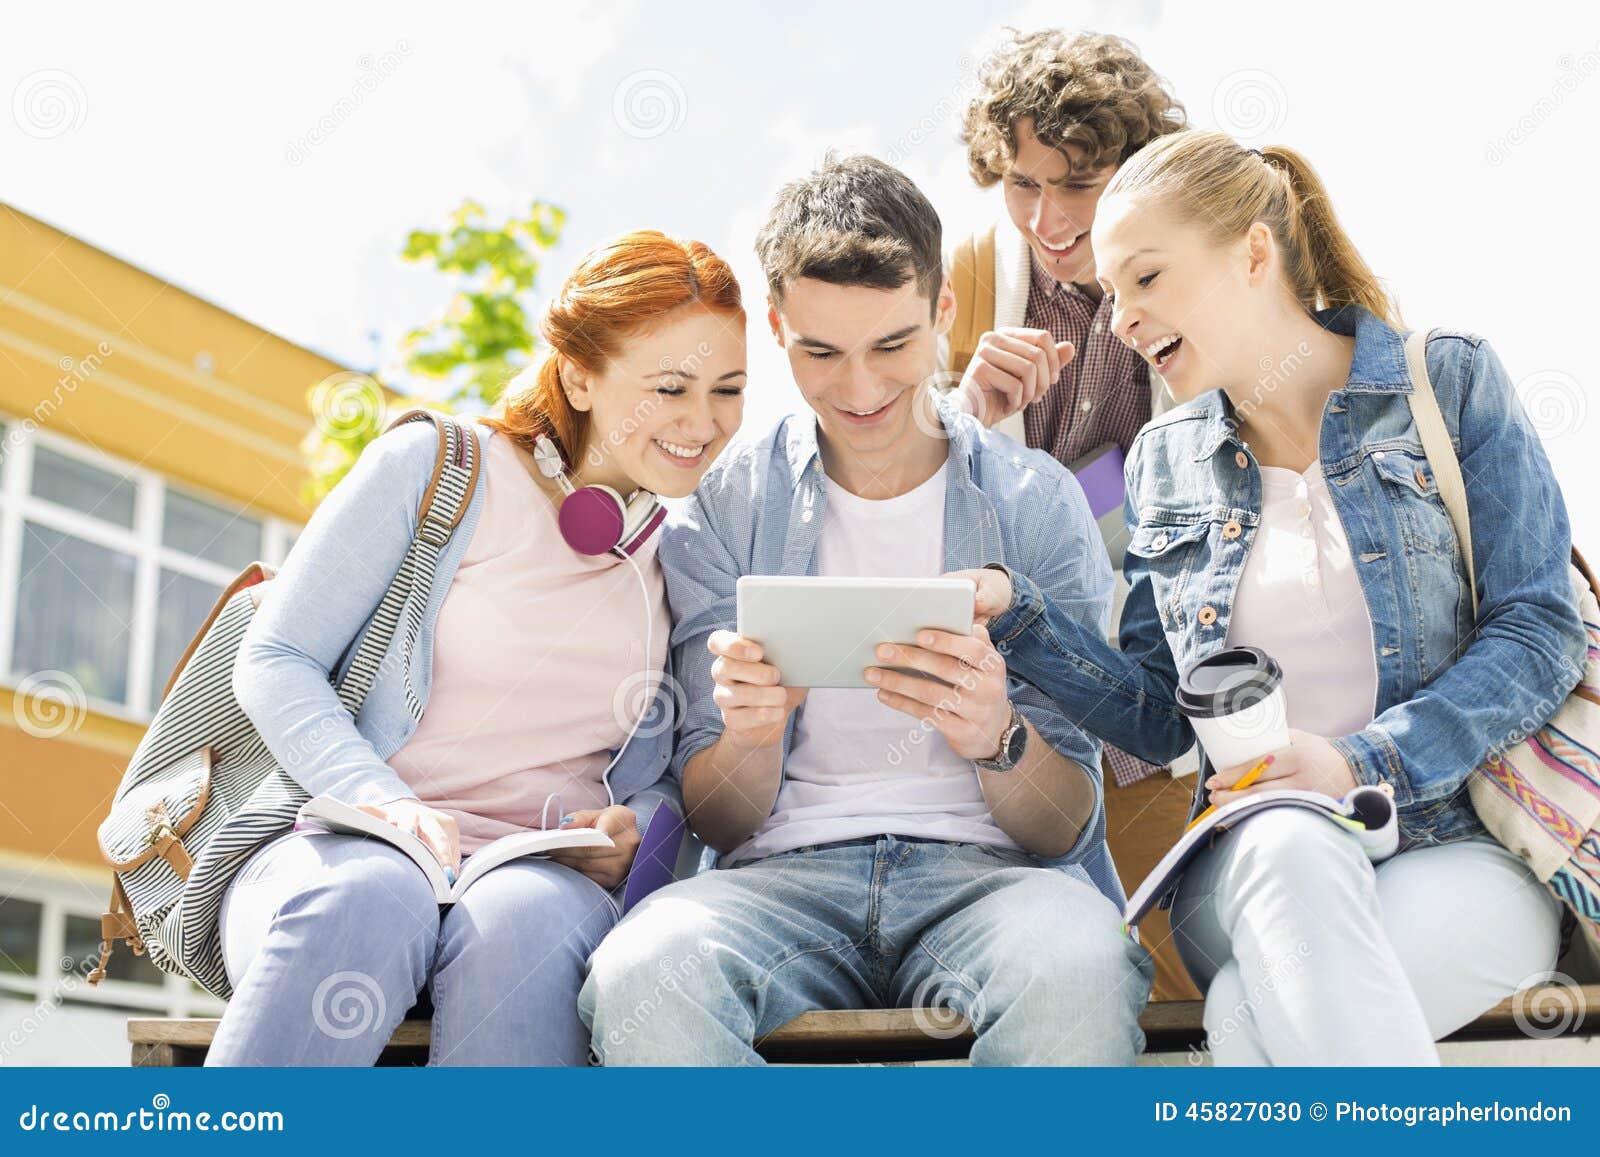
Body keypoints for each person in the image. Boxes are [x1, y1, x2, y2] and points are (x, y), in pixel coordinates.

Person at [964, 130, 1584, 1064]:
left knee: (1253, 1022)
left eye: (1146, 279)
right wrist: (1020, 615)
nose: (1118, 319)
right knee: (1288, 838)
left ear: (1255, 252)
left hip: (1457, 843)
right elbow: (1159, 718)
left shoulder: (1445, 381)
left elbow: (1540, 630)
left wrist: (1361, 760)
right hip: (1248, 865)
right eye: (1110, 291)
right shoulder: (1164, 463)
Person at [578, 154, 1152, 1067]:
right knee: (644, 972)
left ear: (943, 315)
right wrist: (751, 738)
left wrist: (998, 739)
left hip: (996, 884)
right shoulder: (728, 503)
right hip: (780, 881)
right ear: (776, 328)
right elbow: (718, 819)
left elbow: (1069, 821)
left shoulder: (1037, 502)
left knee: (1080, 968)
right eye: (820, 352)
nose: (858, 390)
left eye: (891, 346)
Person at [208, 231, 748, 1066]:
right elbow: (275, 659)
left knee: (521, 926)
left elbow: (671, 777)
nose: (702, 422)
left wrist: (632, 829)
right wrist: (381, 802)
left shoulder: (679, 559)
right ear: (579, 374)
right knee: (374, 892)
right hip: (347, 850)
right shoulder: (437, 468)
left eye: (728, 389)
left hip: (536, 880)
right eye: (670, 386)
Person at [943, 29, 1197, 999]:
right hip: (1002, 698)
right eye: (1019, 182)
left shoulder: (1196, 276)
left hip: (1147, 696)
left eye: (1077, 184)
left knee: (1166, 982)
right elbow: (876, 482)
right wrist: (966, 414)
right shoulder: (962, 279)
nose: (1047, 217)